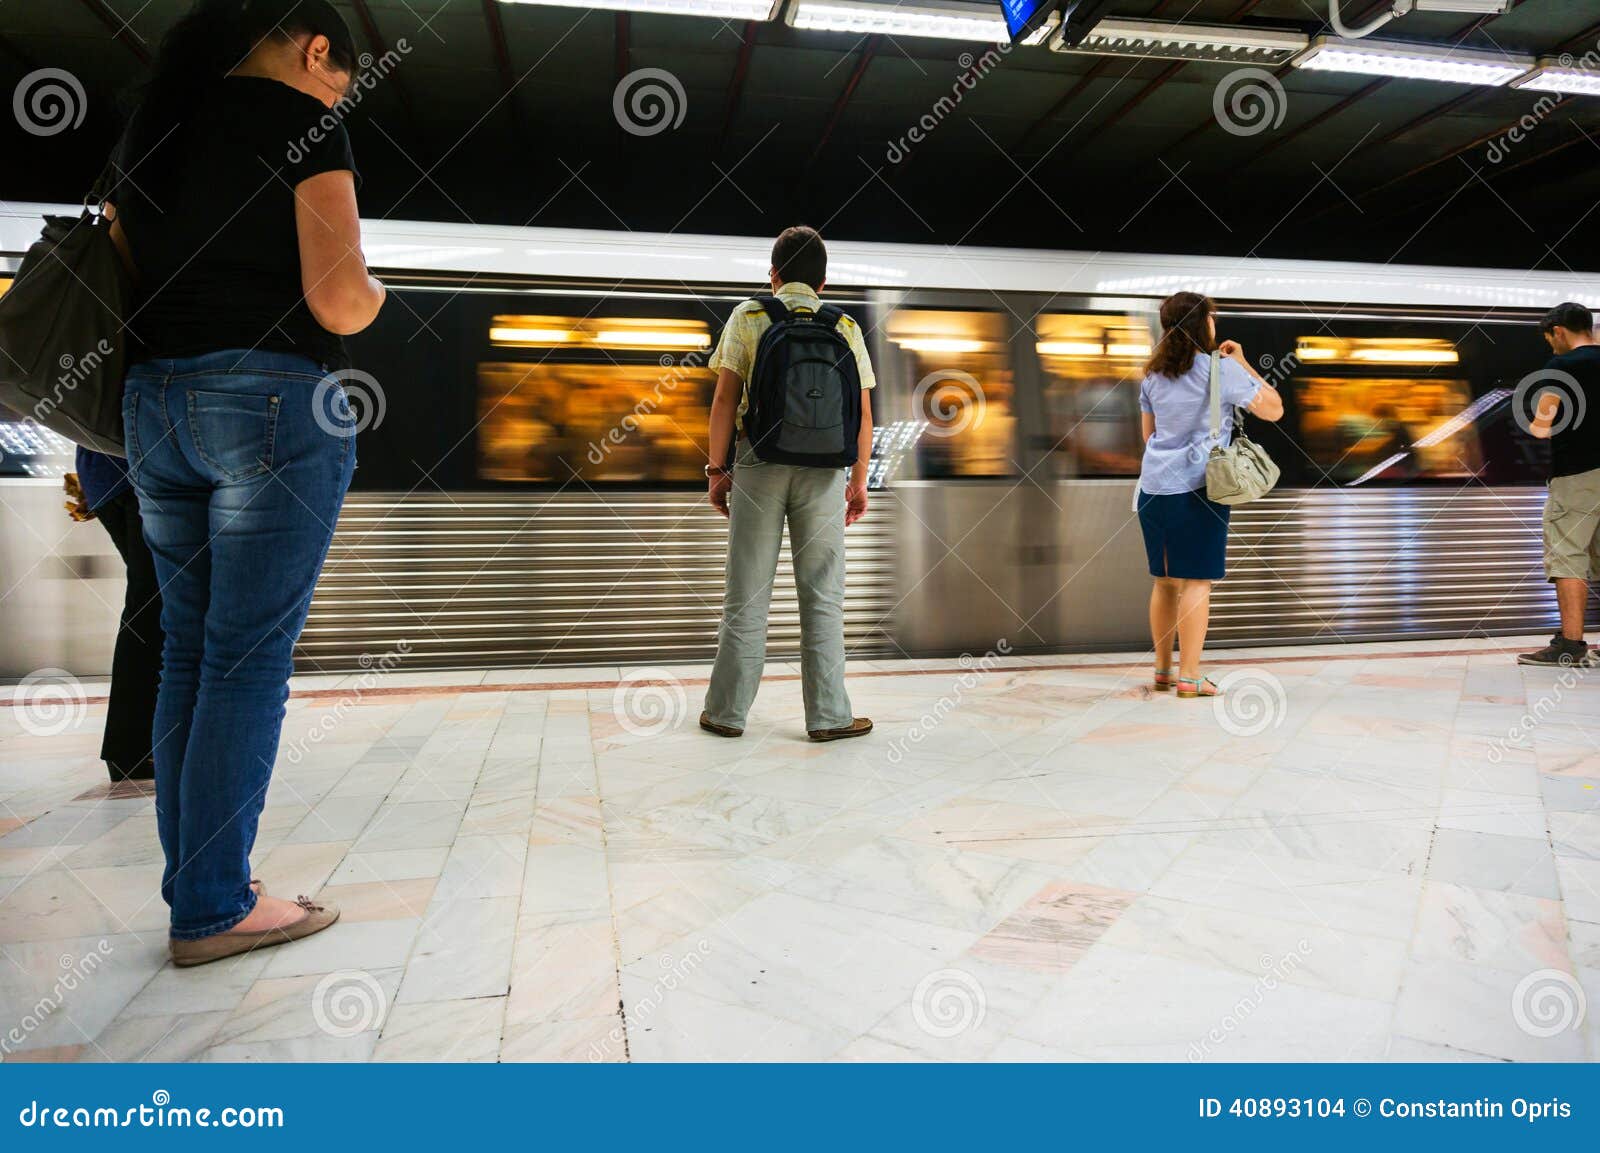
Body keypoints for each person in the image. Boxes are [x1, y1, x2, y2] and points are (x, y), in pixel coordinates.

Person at [110, 0, 386, 966]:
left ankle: (201, 888)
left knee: (188, 652)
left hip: (152, 408)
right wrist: (379, 287)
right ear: (317, 52)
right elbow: (339, 300)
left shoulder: (152, 130)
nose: (336, 94)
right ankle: (216, 905)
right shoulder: (301, 123)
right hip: (271, 403)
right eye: (339, 78)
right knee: (244, 662)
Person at [699, 226, 874, 742]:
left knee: (746, 593)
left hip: (759, 464)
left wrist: (717, 471)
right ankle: (829, 717)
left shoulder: (748, 316)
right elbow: (862, 415)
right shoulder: (844, 325)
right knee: (823, 595)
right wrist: (858, 480)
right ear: (823, 281)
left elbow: (725, 401)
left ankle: (726, 713)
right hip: (825, 473)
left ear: (772, 275)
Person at [1137, 292, 1283, 698]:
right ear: (1204, 324)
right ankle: (1191, 677)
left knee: (1164, 582)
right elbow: (1274, 409)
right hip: (1201, 489)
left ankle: (1164, 671)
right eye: (1213, 318)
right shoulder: (1218, 370)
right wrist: (1242, 362)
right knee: (1197, 583)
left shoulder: (1151, 375)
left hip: (1153, 491)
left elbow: (1148, 437)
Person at [65, 447, 163, 784]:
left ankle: (135, 747)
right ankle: (131, 750)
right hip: (137, 477)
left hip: (108, 478)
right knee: (153, 609)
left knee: (152, 606)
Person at [1520, 302, 1600, 667]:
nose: (1551, 346)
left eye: (1550, 339)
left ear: (1559, 332)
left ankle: (1570, 644)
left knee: (1568, 554)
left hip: (1578, 475)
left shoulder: (1562, 366)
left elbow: (1541, 423)